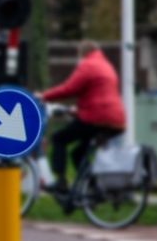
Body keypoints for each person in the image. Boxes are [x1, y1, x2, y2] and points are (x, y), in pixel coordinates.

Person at [36, 40, 125, 192]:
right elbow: (99, 96)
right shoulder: (106, 65)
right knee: (78, 153)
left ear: (82, 53)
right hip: (116, 120)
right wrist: (77, 110)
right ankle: (93, 188)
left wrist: (43, 96)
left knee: (59, 139)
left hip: (97, 118)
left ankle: (61, 181)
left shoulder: (88, 65)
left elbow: (69, 89)